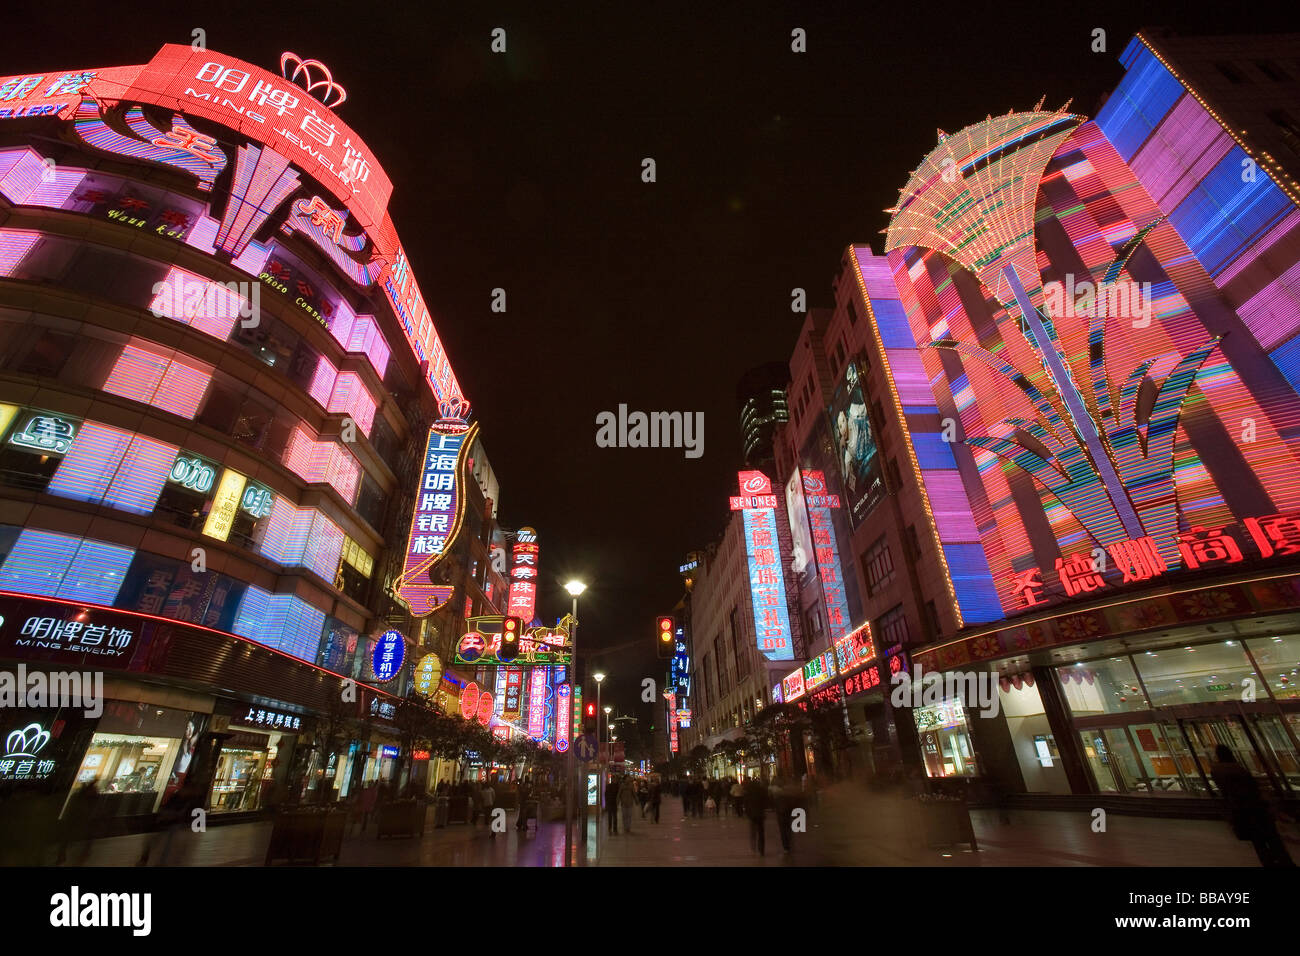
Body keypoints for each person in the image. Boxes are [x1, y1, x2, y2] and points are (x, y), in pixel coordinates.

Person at [1209, 744, 1294, 867]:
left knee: (1258, 841)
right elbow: (1253, 787)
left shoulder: (1216, 770)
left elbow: (1225, 791)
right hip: (1257, 806)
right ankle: (1285, 862)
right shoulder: (1239, 768)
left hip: (1241, 808)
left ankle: (1268, 862)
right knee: (1272, 837)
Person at [743, 775, 769, 856]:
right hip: (760, 813)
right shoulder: (761, 790)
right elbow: (766, 800)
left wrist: (747, 812)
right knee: (761, 832)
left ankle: (753, 847)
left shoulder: (748, 791)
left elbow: (746, 803)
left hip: (752, 814)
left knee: (753, 831)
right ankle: (761, 849)